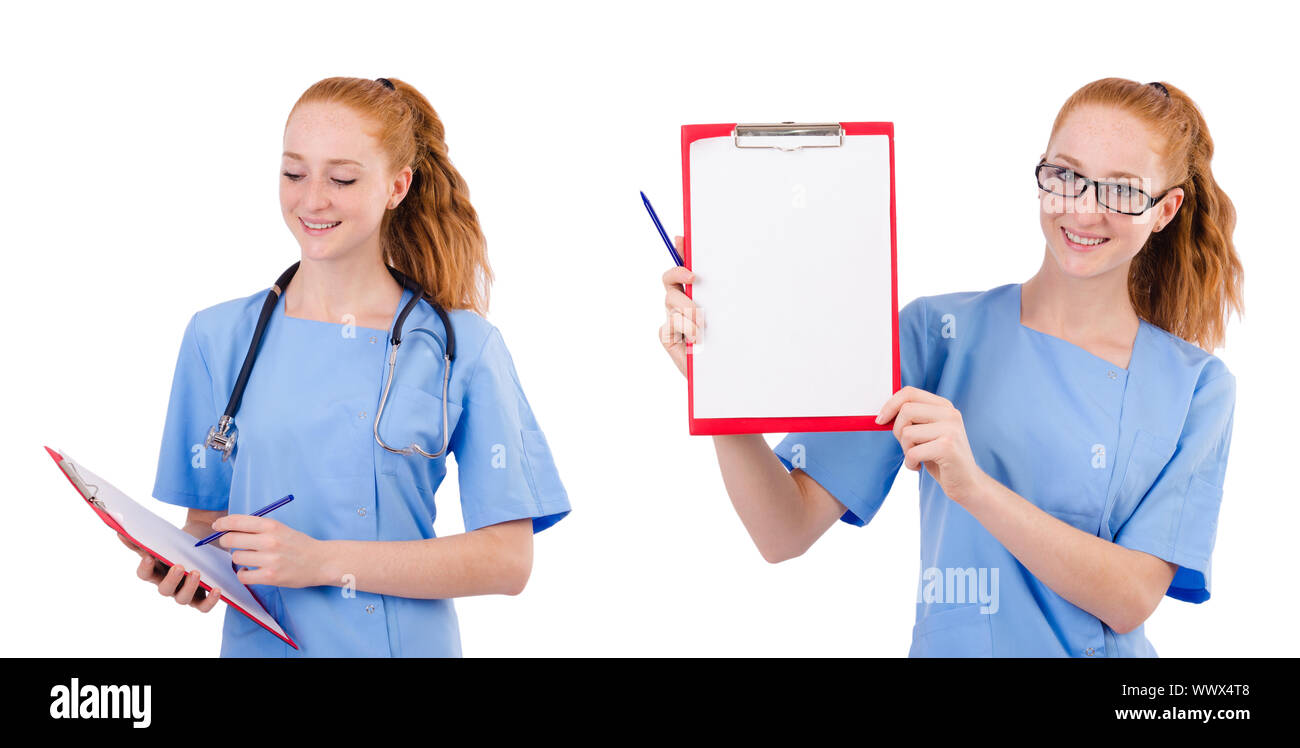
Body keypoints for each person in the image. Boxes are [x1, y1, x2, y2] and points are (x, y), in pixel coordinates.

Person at [659, 78, 1242, 657]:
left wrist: (974, 487)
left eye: (1121, 190)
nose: (1084, 210)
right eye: (1065, 175)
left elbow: (1131, 597)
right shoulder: (935, 335)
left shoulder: (1195, 387)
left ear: (1165, 210)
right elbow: (782, 531)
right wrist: (719, 386)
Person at [120, 76, 570, 657]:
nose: (311, 200)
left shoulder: (463, 346)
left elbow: (507, 562)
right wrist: (190, 568)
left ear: (396, 186)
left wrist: (321, 562)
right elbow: (207, 527)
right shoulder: (217, 337)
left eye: (342, 178)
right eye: (293, 173)